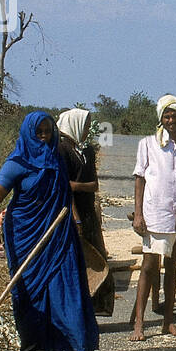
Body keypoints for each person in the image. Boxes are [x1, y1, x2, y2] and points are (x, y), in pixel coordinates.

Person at [0, 112, 98, 351]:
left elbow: (64, 192)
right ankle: (37, 348)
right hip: (26, 234)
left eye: (48, 131)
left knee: (64, 284)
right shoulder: (17, 162)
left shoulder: (57, 157)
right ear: (29, 133)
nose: (45, 136)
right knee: (31, 289)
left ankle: (72, 347)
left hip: (58, 232)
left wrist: (76, 220)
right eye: (40, 132)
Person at [131, 95, 176, 342]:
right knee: (149, 267)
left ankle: (168, 322)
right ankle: (139, 324)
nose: (171, 120)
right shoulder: (148, 144)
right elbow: (139, 179)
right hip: (155, 213)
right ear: (161, 119)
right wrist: (138, 214)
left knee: (171, 269)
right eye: (167, 116)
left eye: (175, 116)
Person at [57, 107, 114, 316]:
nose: (87, 129)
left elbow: (94, 184)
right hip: (74, 215)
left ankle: (95, 308)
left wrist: (81, 186)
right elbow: (64, 187)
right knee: (79, 263)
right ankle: (78, 312)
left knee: (98, 260)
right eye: (85, 125)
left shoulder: (86, 151)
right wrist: (77, 219)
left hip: (88, 213)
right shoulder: (61, 150)